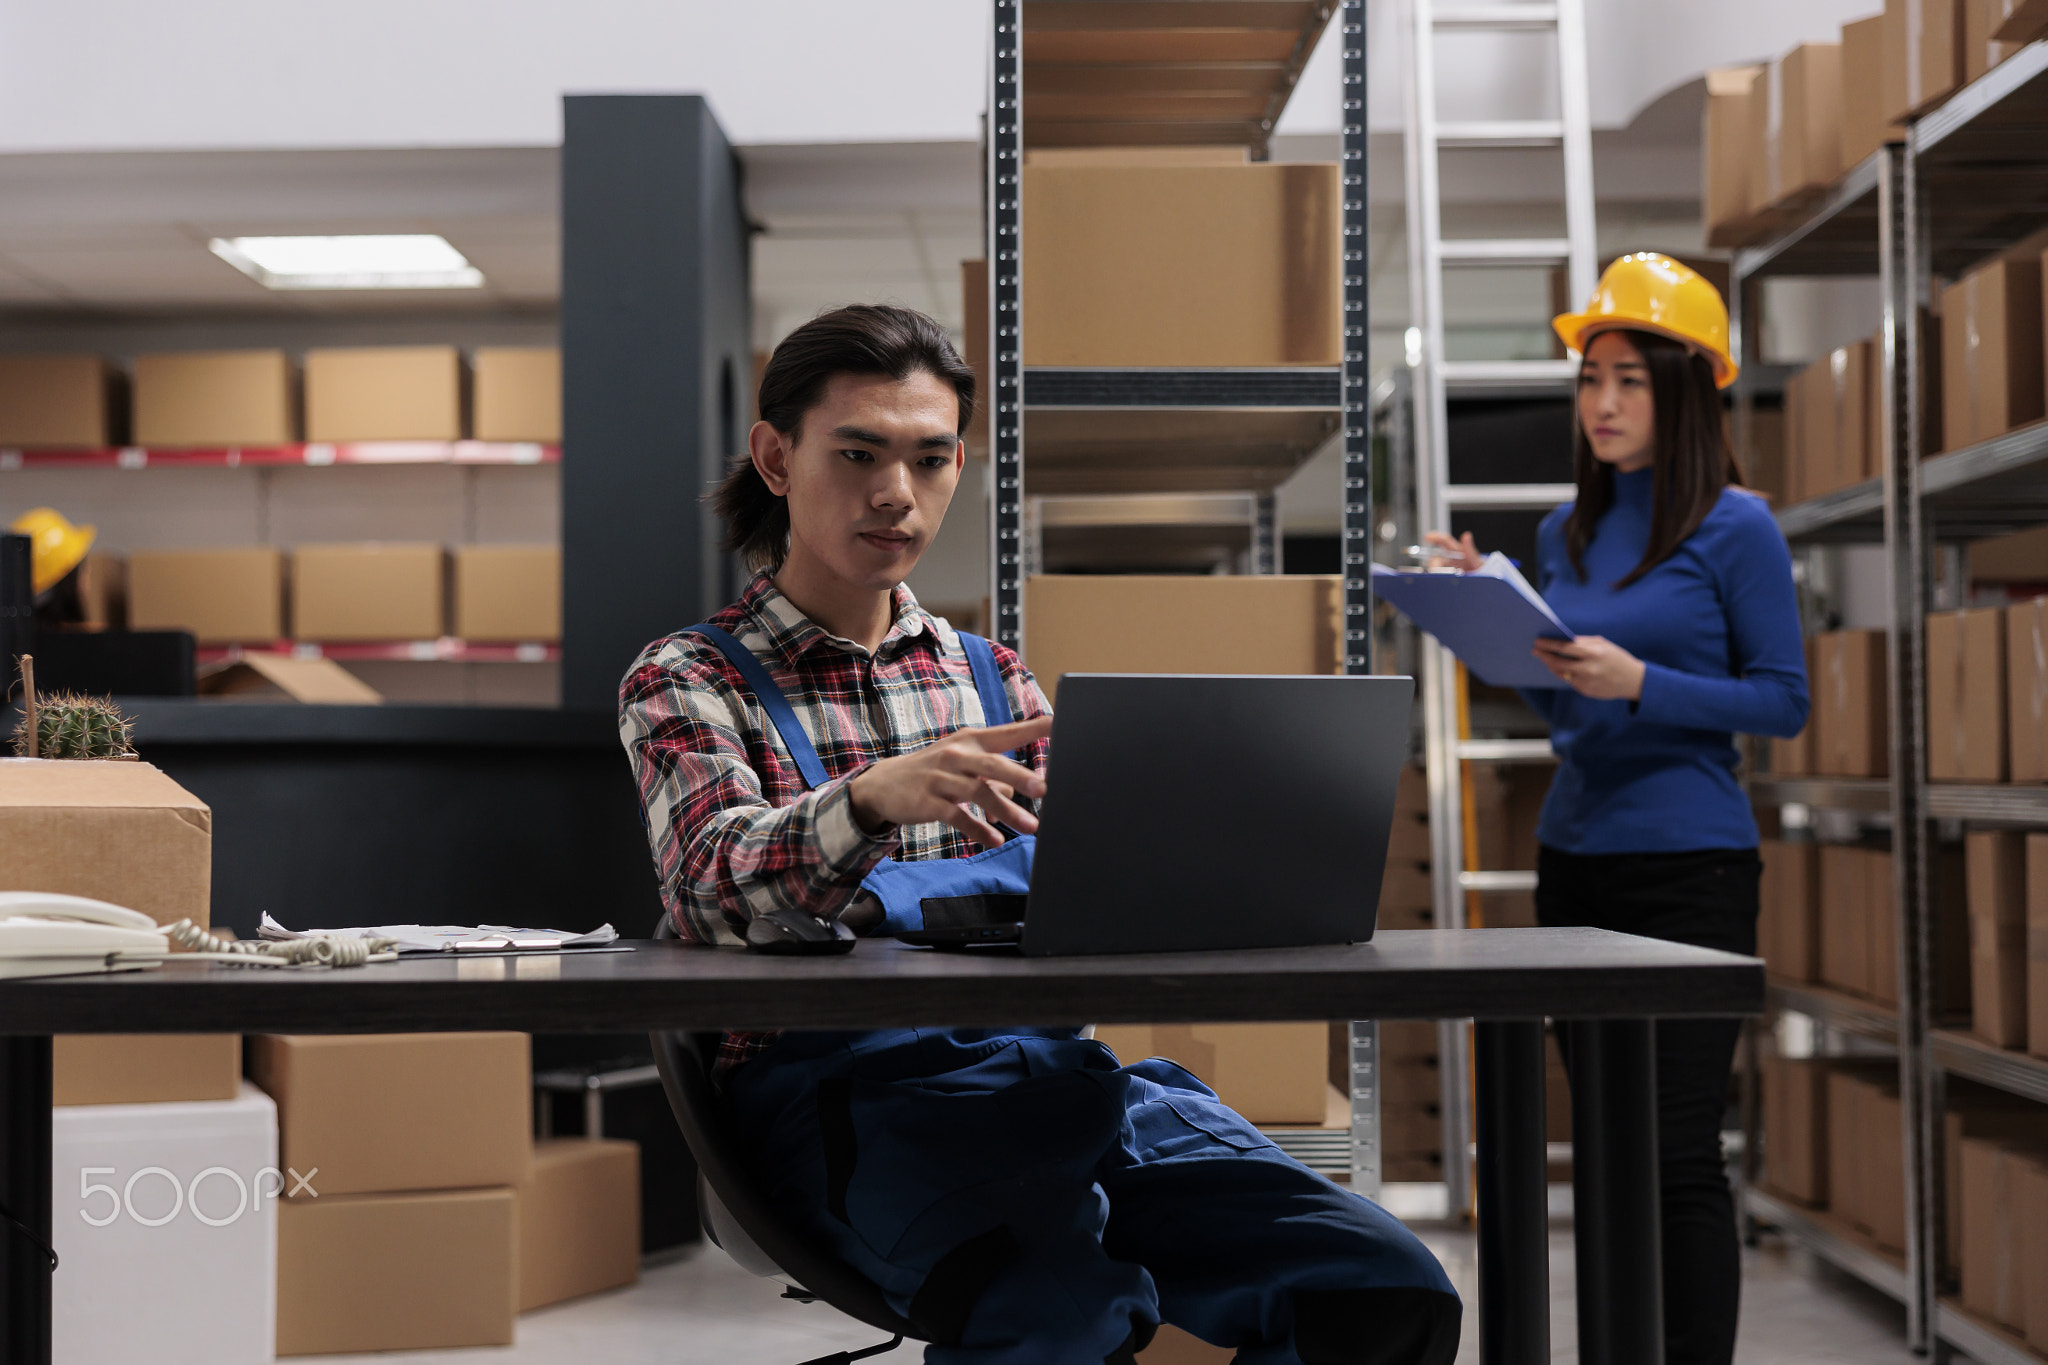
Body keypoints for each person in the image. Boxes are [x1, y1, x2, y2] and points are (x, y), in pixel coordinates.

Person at [620, 304, 1461, 1365]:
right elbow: (707, 891)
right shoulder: (689, 677)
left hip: (1051, 1077)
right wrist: (873, 800)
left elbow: (1067, 891)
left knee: (1380, 1288)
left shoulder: (992, 678)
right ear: (777, 459)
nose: (897, 493)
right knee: (1058, 1315)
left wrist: (1196, 867)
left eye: (929, 460)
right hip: (848, 1104)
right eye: (859, 453)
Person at [1425, 253, 1808, 1365]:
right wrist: (1485, 611)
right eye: (1588, 378)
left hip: (1688, 866)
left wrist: (1642, 681)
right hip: (1575, 862)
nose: (1599, 402)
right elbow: (1566, 703)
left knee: (1676, 1153)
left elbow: (1779, 704)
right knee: (1600, 1149)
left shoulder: (1738, 529)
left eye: (1628, 379)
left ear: (1686, 389)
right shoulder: (1563, 536)